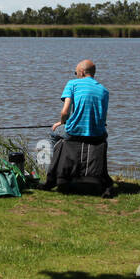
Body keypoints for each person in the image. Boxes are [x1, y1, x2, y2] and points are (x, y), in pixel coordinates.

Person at [42, 58, 115, 196]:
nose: (75, 75)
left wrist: (61, 122)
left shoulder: (72, 84)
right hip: (97, 135)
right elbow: (102, 118)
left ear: (81, 72)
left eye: (75, 72)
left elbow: (65, 112)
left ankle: (56, 174)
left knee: (54, 133)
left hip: (74, 133)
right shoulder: (104, 91)